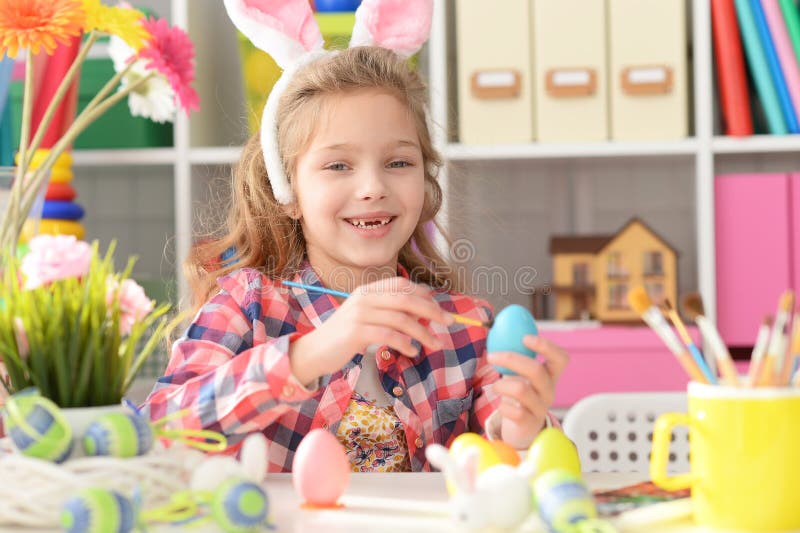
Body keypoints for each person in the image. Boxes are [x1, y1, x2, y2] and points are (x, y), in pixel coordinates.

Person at [142, 0, 569, 473]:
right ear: (288, 192)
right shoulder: (248, 307)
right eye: (338, 165)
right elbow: (158, 432)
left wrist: (524, 429)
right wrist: (310, 354)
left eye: (398, 163)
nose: (373, 188)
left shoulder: (466, 330)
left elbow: (513, 472)